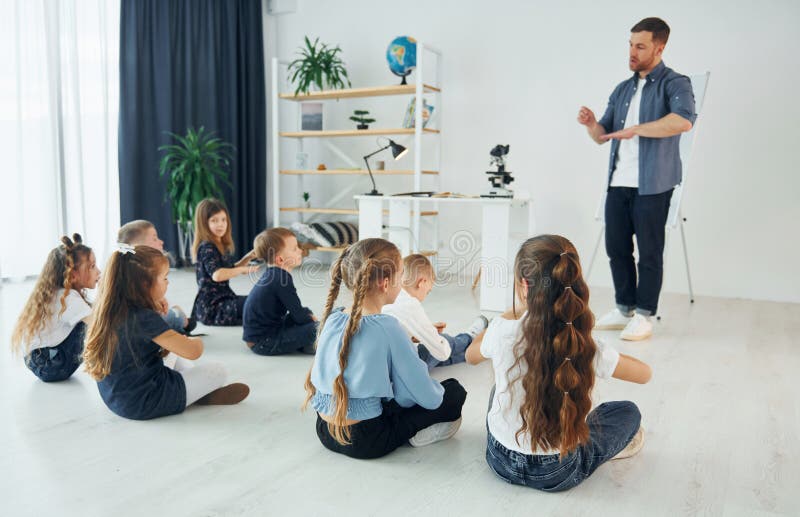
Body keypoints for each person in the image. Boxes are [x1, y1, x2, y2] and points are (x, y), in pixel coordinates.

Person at [466, 235, 652, 491]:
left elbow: (470, 355)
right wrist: (601, 351)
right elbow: (645, 374)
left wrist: (509, 315)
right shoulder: (583, 343)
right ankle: (603, 451)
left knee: (499, 388)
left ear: (524, 285)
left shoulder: (501, 330)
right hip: (556, 470)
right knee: (627, 411)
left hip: (500, 458)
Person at [577, 17, 696, 340]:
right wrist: (591, 125)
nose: (632, 51)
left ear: (659, 48)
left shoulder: (675, 83)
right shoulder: (623, 89)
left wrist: (637, 130)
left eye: (640, 46)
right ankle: (624, 307)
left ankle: (645, 314)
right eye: (630, 44)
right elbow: (603, 135)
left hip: (654, 183)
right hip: (618, 183)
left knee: (650, 251)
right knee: (617, 248)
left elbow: (683, 121)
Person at [303, 238, 467, 459]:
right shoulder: (389, 327)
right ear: (385, 283)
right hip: (366, 440)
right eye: (400, 276)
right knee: (454, 391)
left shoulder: (333, 318)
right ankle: (416, 433)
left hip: (324, 430)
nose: (402, 283)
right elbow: (422, 397)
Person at [83, 244, 249, 420]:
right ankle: (196, 393)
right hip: (145, 402)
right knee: (218, 371)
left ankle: (192, 388)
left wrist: (155, 304)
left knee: (173, 354)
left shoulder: (110, 310)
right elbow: (194, 352)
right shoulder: (144, 318)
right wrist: (193, 341)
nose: (168, 282)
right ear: (144, 285)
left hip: (117, 399)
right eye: (165, 278)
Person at [11, 234, 100, 381]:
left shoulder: (60, 293)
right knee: (92, 324)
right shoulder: (68, 299)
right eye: (92, 267)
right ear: (72, 276)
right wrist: (107, 292)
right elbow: (99, 324)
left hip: (38, 360)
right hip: (51, 365)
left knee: (88, 313)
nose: (99, 271)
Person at [382, 254, 487, 369]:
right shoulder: (411, 305)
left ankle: (480, 352)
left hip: (388, 368)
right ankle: (470, 336)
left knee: (439, 357)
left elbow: (398, 333)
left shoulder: (388, 297)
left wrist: (423, 330)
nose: (425, 296)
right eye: (428, 291)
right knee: (445, 342)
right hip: (405, 368)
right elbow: (442, 353)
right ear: (421, 283)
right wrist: (434, 334)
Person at [243, 227, 318, 355]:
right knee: (319, 328)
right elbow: (299, 316)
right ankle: (314, 343)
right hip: (263, 342)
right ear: (280, 260)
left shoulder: (274, 274)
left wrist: (308, 316)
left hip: (264, 333)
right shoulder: (281, 280)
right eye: (295, 249)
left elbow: (297, 311)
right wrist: (314, 322)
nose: (300, 250)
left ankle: (307, 344)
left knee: (307, 314)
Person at [117, 219, 194, 333]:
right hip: (137, 323)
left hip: (134, 321)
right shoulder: (139, 273)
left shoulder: (121, 267)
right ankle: (182, 321)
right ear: (137, 246)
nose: (161, 242)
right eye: (154, 239)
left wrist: (158, 300)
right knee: (178, 317)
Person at [191, 198, 258, 326]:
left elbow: (229, 269)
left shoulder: (219, 244)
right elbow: (217, 275)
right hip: (213, 307)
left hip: (224, 299)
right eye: (214, 221)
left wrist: (247, 258)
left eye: (223, 220)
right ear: (204, 224)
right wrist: (242, 270)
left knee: (258, 303)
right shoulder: (207, 247)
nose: (220, 224)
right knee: (256, 305)